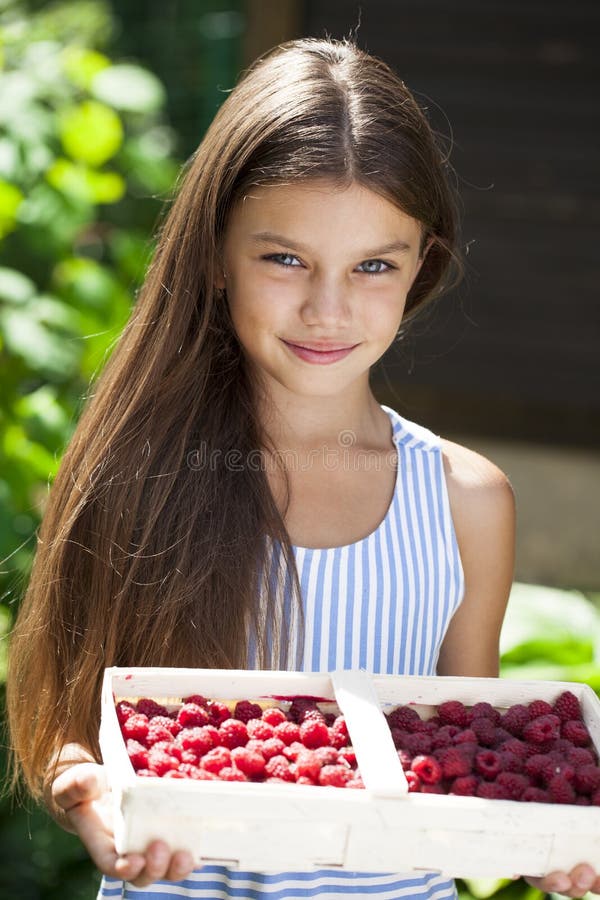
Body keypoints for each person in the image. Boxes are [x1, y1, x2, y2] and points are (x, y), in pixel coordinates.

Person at [6, 36, 598, 900]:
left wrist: (554, 846)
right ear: (215, 254)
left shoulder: (467, 502)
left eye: (374, 266)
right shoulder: (136, 476)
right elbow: (69, 729)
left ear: (421, 264)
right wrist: (83, 790)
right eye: (284, 259)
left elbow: (470, 760)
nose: (329, 309)